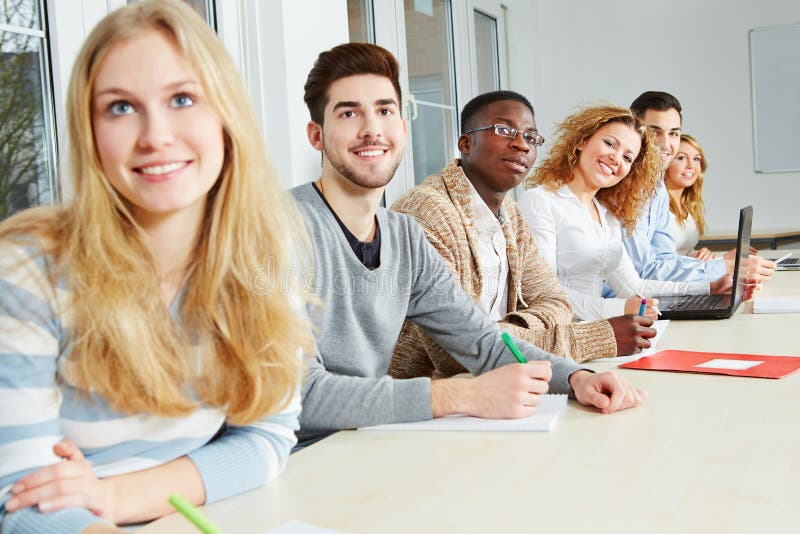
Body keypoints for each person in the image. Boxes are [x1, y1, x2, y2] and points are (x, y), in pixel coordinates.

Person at [0, 1, 307, 531]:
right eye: (120, 107)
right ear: (89, 133)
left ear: (225, 116)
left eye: (182, 99)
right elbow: (20, 497)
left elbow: (267, 436)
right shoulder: (28, 270)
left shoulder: (264, 256)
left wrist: (113, 496)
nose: (155, 136)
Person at [292, 43, 645, 448]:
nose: (372, 129)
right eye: (349, 113)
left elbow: (482, 342)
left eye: (385, 111)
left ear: (402, 129)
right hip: (299, 459)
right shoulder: (277, 229)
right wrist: (461, 395)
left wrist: (576, 378)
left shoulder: (403, 237)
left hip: (367, 442)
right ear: (317, 135)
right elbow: (298, 395)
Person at [387, 90, 656, 381]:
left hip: (499, 382)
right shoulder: (427, 210)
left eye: (530, 137)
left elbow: (556, 301)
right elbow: (455, 352)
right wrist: (592, 338)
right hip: (427, 393)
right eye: (504, 130)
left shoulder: (510, 213)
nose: (521, 144)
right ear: (465, 143)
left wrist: (500, 333)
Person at [518, 105, 734, 321]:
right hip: (561, 332)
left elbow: (633, 286)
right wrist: (621, 308)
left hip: (598, 330)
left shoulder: (607, 216)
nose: (616, 158)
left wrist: (707, 288)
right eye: (610, 143)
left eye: (628, 158)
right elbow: (544, 292)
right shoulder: (540, 201)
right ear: (582, 140)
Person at [621, 91, 775, 287]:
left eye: (674, 133)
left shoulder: (657, 188)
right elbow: (643, 270)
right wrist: (723, 267)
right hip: (617, 299)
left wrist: (719, 270)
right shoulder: (624, 188)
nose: (666, 144)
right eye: (655, 132)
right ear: (635, 131)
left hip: (648, 292)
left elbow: (665, 258)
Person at [665, 134, 757, 261]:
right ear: (665, 163)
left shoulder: (689, 204)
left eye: (696, 159)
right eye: (681, 158)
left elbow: (683, 252)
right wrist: (722, 260)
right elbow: (664, 261)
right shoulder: (656, 205)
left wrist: (702, 255)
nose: (691, 165)